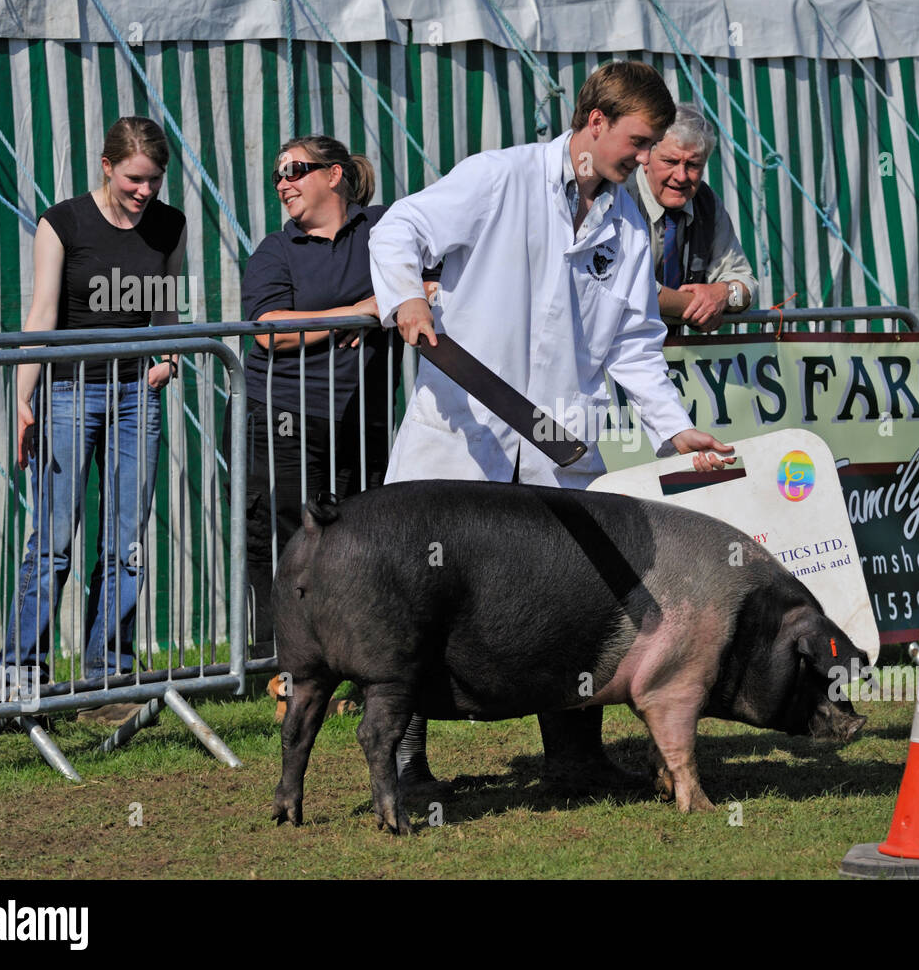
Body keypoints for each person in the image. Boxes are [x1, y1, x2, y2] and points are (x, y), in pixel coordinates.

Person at [368, 60, 733, 789]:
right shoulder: (498, 178)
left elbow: (633, 344)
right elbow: (400, 226)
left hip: (558, 445)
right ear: (594, 122)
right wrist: (405, 297)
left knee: (574, 594)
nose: (643, 158)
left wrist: (673, 429)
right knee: (418, 594)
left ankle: (573, 758)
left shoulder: (627, 221)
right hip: (462, 432)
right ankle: (405, 763)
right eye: (638, 141)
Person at [5, 116, 185, 720]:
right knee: (53, 542)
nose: (146, 191)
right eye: (135, 179)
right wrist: (22, 400)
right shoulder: (63, 223)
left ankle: (107, 681)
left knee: (126, 542)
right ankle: (20, 681)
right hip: (67, 392)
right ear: (106, 167)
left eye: (155, 179)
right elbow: (42, 314)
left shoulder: (169, 225)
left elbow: (165, 314)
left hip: (138, 394)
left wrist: (168, 358)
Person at [236, 135, 412, 669]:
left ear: (334, 175)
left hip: (363, 418)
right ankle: (283, 665)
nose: (283, 183)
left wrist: (393, 298)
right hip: (281, 414)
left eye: (294, 170)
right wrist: (357, 312)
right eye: (277, 176)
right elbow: (268, 331)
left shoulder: (386, 228)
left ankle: (355, 659)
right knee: (285, 540)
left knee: (357, 541)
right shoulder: (276, 249)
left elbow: (430, 283)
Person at [623, 102, 756, 332]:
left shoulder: (707, 203)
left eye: (693, 164)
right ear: (645, 158)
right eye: (670, 162)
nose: (681, 176)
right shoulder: (619, 197)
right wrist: (700, 305)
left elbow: (748, 285)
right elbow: (629, 288)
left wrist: (724, 295)